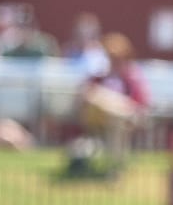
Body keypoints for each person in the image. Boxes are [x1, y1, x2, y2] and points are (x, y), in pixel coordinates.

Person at [74, 32, 149, 172]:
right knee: (97, 96)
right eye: (111, 58)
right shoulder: (99, 77)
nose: (114, 62)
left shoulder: (132, 78)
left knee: (116, 118)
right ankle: (115, 167)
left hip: (126, 119)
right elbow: (86, 95)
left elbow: (139, 103)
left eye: (118, 58)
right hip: (99, 118)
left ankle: (114, 167)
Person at [62, 12, 110, 77]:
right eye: (79, 33)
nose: (83, 37)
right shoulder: (69, 51)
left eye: (87, 32)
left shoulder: (99, 54)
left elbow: (101, 74)